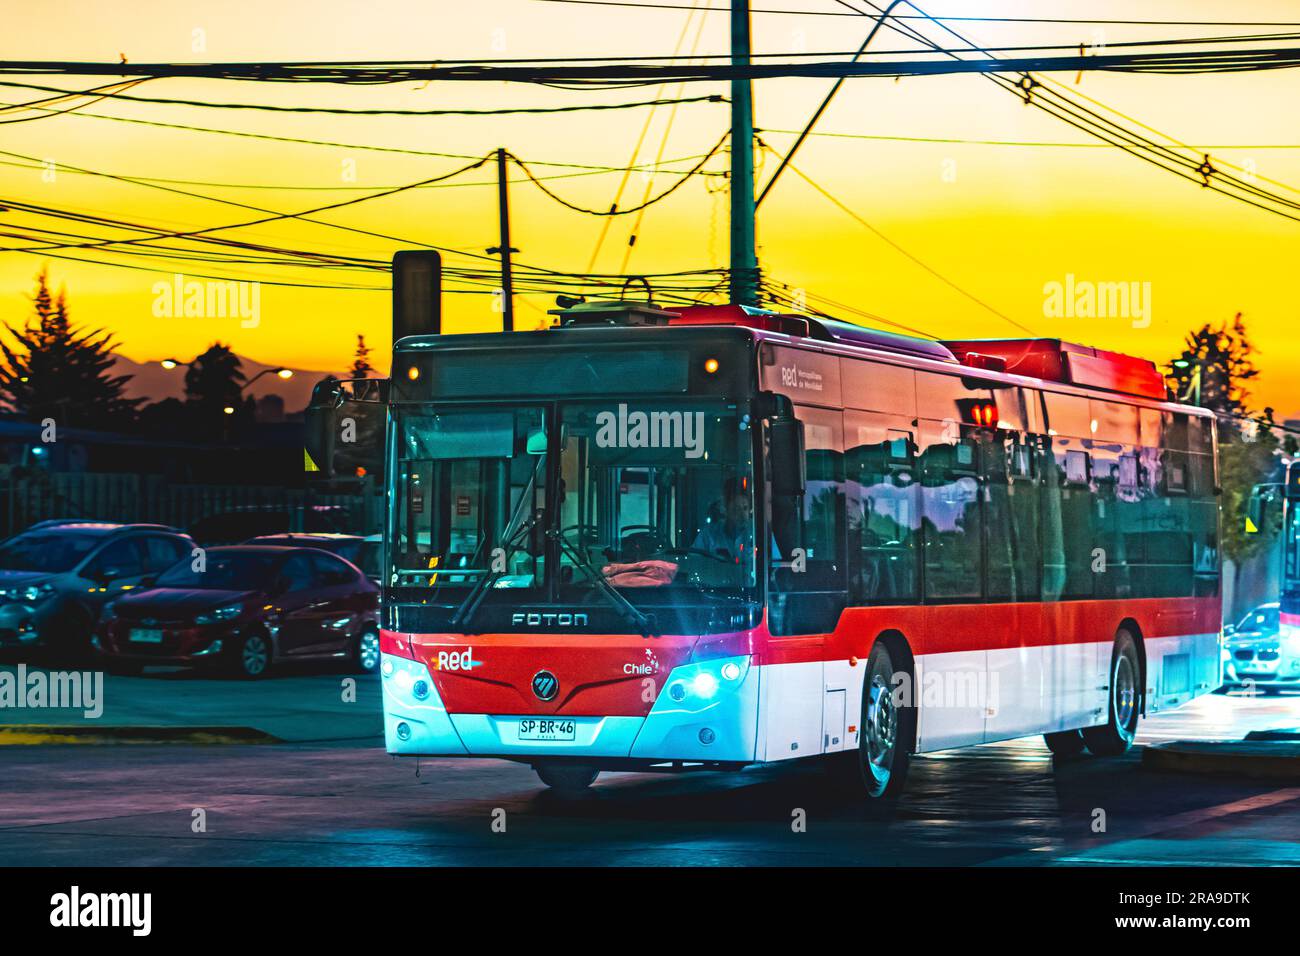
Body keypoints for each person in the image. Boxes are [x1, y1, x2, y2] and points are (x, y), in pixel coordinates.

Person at [692, 477, 754, 560]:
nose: (742, 515)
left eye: (745, 508)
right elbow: (694, 560)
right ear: (725, 509)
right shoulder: (709, 535)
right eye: (736, 509)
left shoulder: (756, 534)